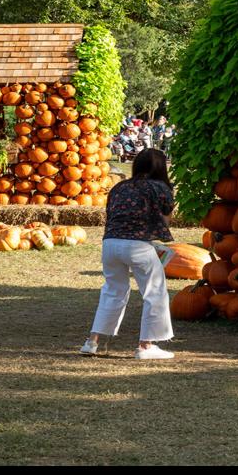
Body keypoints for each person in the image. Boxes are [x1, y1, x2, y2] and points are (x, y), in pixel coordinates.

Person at [82, 148, 176, 359]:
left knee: (113, 291)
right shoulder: (160, 187)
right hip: (138, 245)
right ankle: (146, 346)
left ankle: (92, 342)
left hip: (111, 243)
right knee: (154, 292)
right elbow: (166, 221)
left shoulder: (119, 187)